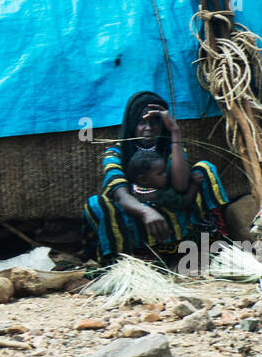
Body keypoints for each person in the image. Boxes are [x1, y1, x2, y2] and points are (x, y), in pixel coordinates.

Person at [82, 91, 229, 262]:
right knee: (95, 204)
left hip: (173, 209)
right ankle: (124, 260)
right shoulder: (116, 154)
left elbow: (181, 186)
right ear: (131, 124)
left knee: (204, 168)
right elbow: (121, 195)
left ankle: (211, 241)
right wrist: (146, 212)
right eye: (142, 122)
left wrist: (175, 132)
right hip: (138, 215)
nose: (149, 128)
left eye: (155, 122)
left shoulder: (171, 148)